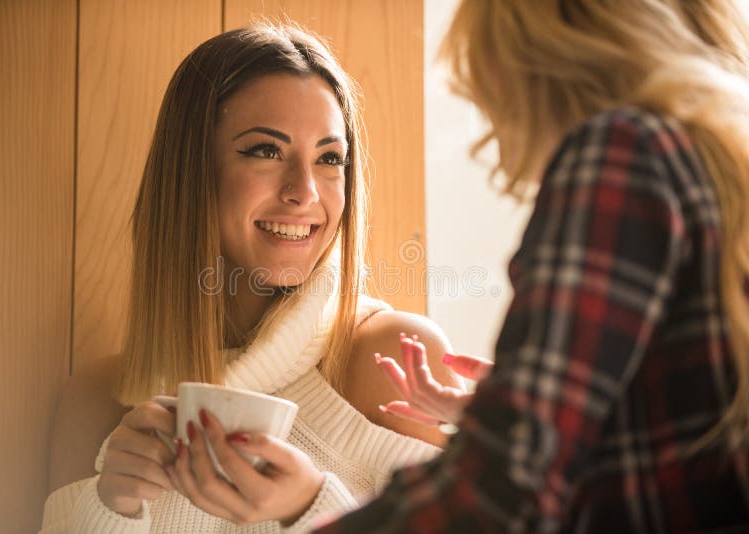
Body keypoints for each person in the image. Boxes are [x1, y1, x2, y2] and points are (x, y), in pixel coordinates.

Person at [315, 0, 749, 532]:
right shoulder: (714, 167)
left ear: (530, 63)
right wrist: (547, 405)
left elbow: (504, 484)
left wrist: (517, 424)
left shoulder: (624, 155)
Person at [40, 24, 462, 533]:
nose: (305, 192)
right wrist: (112, 511)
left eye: (330, 158)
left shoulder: (392, 358)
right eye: (265, 150)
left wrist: (310, 507)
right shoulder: (97, 402)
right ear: (192, 173)